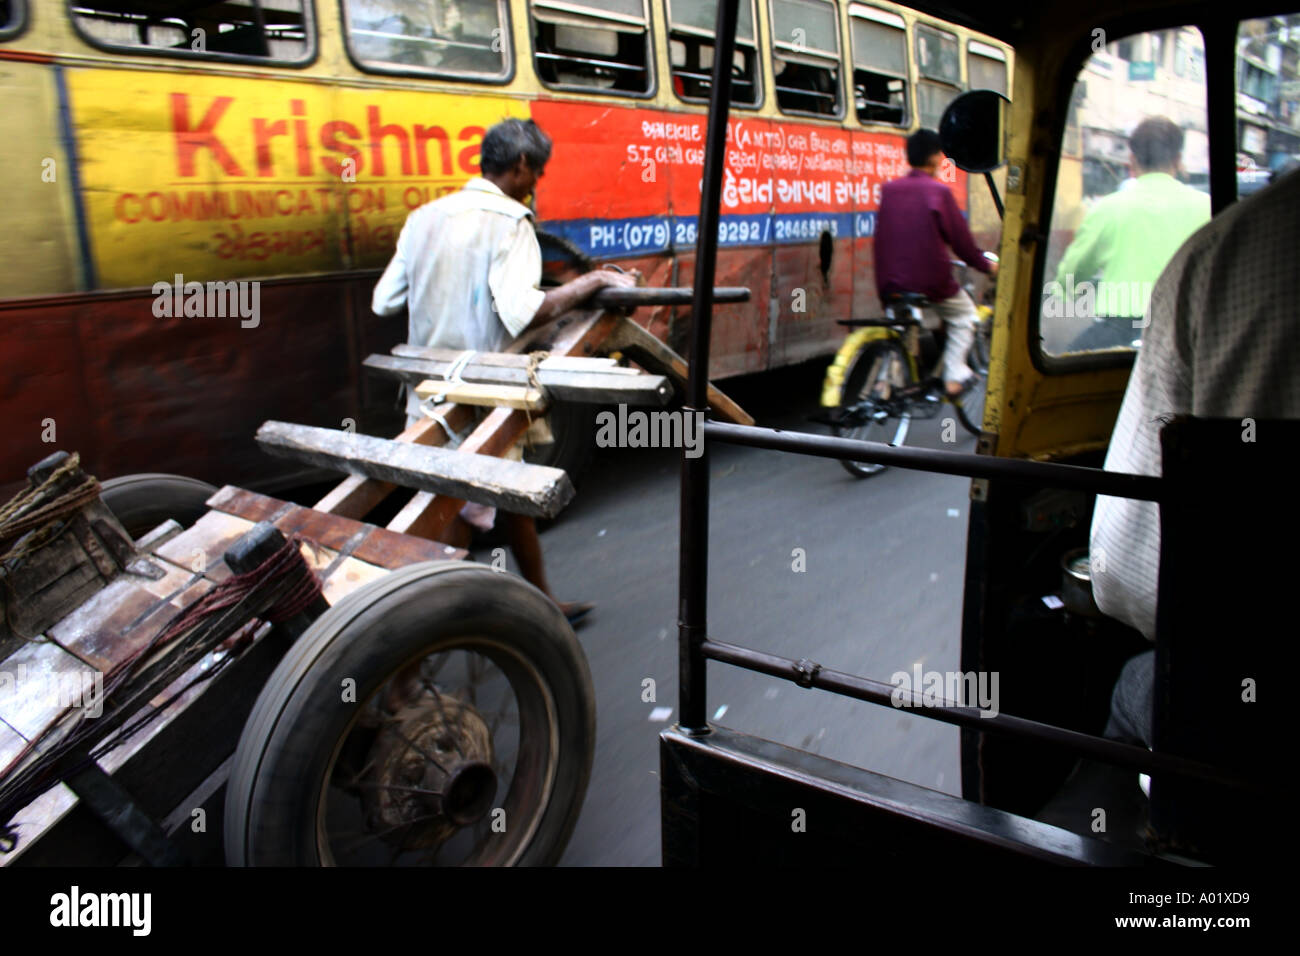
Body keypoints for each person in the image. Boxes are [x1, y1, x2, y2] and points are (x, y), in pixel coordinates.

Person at [372, 117, 636, 624]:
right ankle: (406, 645)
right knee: (455, 516)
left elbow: (386, 301)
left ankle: (543, 600)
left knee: (507, 495)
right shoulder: (511, 223)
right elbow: (522, 312)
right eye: (538, 172)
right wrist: (593, 282)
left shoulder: (425, 216)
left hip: (427, 391)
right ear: (521, 166)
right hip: (483, 397)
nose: (537, 184)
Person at [1091, 165, 1300, 747]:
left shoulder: (1222, 251)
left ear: (1129, 163)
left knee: (1140, 685)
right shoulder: (1201, 215)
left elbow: (1122, 575)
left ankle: (1130, 830)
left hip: (1260, 702)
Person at [1056, 117, 1210, 352]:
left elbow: (1074, 270)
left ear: (1132, 160)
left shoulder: (1108, 208)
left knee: (1065, 373)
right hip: (1189, 336)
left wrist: (1066, 291)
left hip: (1120, 333)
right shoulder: (1207, 208)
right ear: (1178, 161)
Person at [873, 128, 998, 397]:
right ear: (934, 158)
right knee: (964, 316)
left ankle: (883, 384)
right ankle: (954, 374)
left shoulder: (889, 190)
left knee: (900, 329)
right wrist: (985, 265)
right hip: (930, 281)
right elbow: (961, 242)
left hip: (889, 280)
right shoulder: (937, 192)